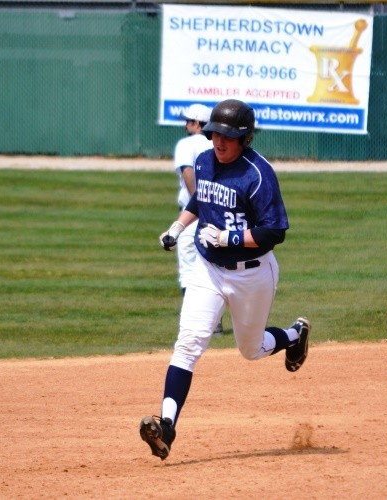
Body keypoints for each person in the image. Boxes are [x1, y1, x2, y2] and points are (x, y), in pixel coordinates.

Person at [142, 99, 311, 461]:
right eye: (215, 133)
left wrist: (230, 238)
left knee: (251, 350)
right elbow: (200, 201)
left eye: (228, 137)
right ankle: (167, 426)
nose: (219, 142)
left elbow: (274, 231)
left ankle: (295, 334)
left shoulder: (258, 175)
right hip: (208, 269)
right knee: (188, 343)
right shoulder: (204, 160)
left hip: (252, 275)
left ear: (245, 139)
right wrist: (177, 227)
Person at [164, 103, 225, 334]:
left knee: (189, 268)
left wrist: (198, 204)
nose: (185, 125)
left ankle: (194, 322)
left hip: (195, 213)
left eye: (188, 121)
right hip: (219, 212)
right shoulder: (216, 144)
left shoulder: (186, 144)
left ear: (197, 124)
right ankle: (215, 321)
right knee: (214, 265)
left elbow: (187, 171)